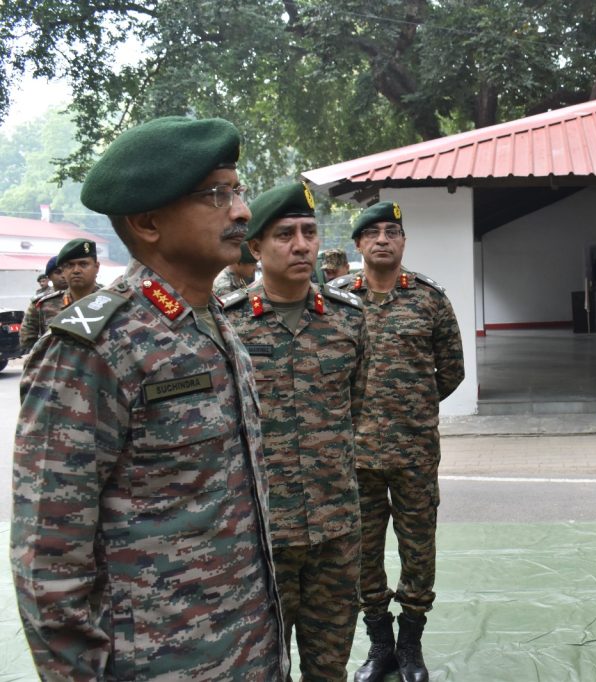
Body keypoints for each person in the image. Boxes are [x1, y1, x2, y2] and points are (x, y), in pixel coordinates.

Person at [11, 115, 288, 680]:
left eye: (238, 190)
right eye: (216, 195)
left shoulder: (212, 321)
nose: (241, 211)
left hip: (250, 651)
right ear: (146, 222)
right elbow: (49, 561)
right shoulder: (92, 348)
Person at [223, 181, 368, 681]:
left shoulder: (349, 320)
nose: (302, 244)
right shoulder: (228, 326)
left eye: (309, 231)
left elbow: (356, 402)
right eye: (285, 234)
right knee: (263, 667)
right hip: (262, 536)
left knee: (330, 668)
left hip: (336, 530)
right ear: (256, 247)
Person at [331, 201, 464, 682]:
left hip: (414, 453)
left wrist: (411, 406)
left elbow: (451, 371)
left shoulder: (429, 299)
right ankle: (380, 645)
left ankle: (411, 646)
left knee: (418, 551)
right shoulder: (336, 300)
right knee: (363, 552)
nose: (383, 239)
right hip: (355, 456)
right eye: (373, 232)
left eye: (393, 231)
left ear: (403, 242)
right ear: (359, 244)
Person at [20, 240, 102, 352]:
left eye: (83, 264)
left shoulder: (113, 301)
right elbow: (28, 343)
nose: (76, 270)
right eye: (69, 265)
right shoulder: (43, 305)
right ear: (63, 270)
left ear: (96, 267)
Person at [19, 258, 61, 352]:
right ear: (49, 276)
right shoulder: (41, 299)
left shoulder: (84, 296)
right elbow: (27, 331)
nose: (63, 276)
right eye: (58, 272)